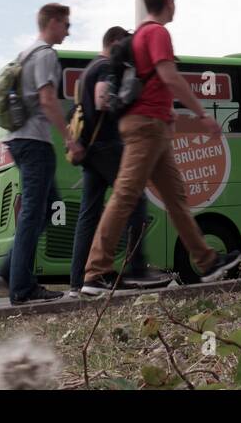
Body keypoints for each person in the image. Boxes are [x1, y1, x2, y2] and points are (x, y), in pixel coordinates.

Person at [80, 0, 241, 295]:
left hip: (154, 126)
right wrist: (202, 114)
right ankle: (95, 272)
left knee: (176, 198)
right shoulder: (156, 33)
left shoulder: (139, 35)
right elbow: (169, 77)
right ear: (167, 1)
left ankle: (207, 262)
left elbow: (155, 86)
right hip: (147, 126)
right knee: (126, 194)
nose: (175, 4)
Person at [68, 26, 172, 294]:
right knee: (135, 197)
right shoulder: (104, 67)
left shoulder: (89, 68)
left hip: (90, 148)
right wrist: (128, 103)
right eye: (125, 44)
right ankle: (136, 267)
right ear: (114, 42)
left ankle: (79, 280)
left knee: (88, 214)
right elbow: (103, 100)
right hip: (106, 145)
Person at [3, 3, 83, 305]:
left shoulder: (24, 55)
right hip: (35, 142)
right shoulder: (46, 55)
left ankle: (9, 269)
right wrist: (69, 138)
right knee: (34, 212)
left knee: (49, 207)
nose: (68, 30)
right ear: (51, 22)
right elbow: (48, 100)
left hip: (19, 140)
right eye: (65, 24)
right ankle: (21, 288)